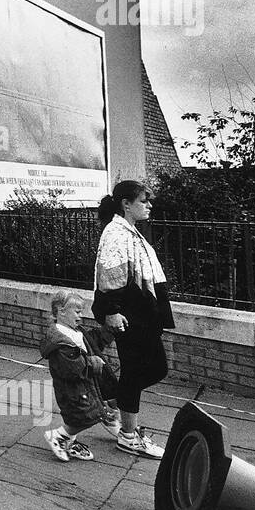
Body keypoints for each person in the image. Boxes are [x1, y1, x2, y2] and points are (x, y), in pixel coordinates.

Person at [92, 180, 175, 459]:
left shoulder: (130, 231)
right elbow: (109, 275)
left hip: (141, 315)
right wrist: (111, 311)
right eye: (143, 200)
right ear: (126, 204)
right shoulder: (115, 233)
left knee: (155, 369)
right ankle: (129, 436)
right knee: (136, 369)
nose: (149, 205)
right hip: (129, 316)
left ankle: (112, 405)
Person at [41, 291, 122, 462]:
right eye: (77, 311)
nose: (80, 316)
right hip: (72, 390)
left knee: (87, 414)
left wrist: (109, 331)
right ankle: (58, 436)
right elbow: (70, 368)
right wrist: (91, 363)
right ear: (61, 311)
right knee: (82, 418)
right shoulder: (60, 341)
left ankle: (70, 441)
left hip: (84, 386)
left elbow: (94, 341)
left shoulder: (75, 331)